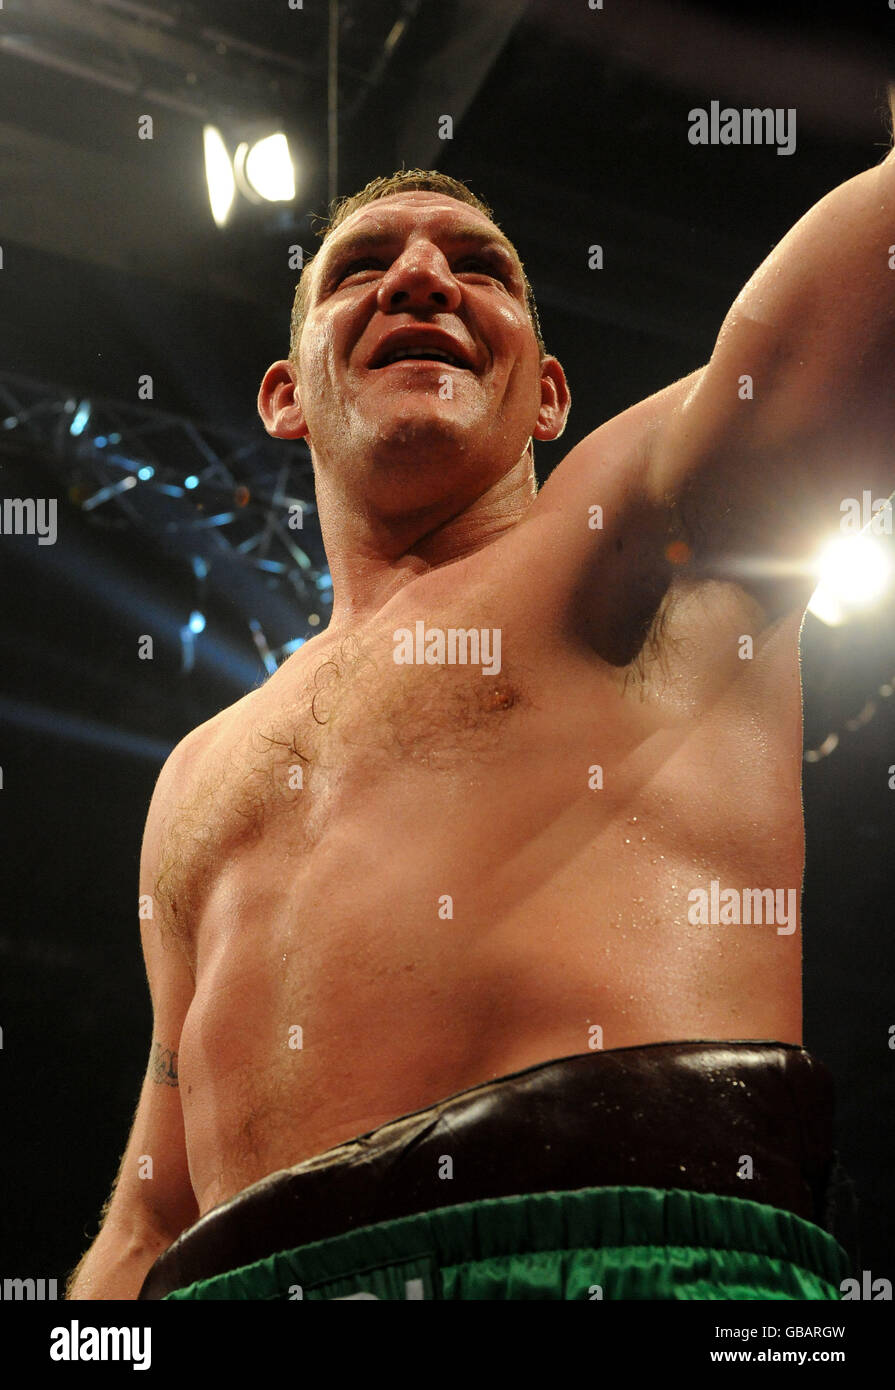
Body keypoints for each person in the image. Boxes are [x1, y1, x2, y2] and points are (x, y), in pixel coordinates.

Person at [67, 121, 892, 1299]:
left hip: (621, 1259)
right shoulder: (194, 775)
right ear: (285, 395)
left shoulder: (650, 524)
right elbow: (152, 1212)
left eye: (481, 265)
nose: (419, 276)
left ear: (548, 394)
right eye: (361, 266)